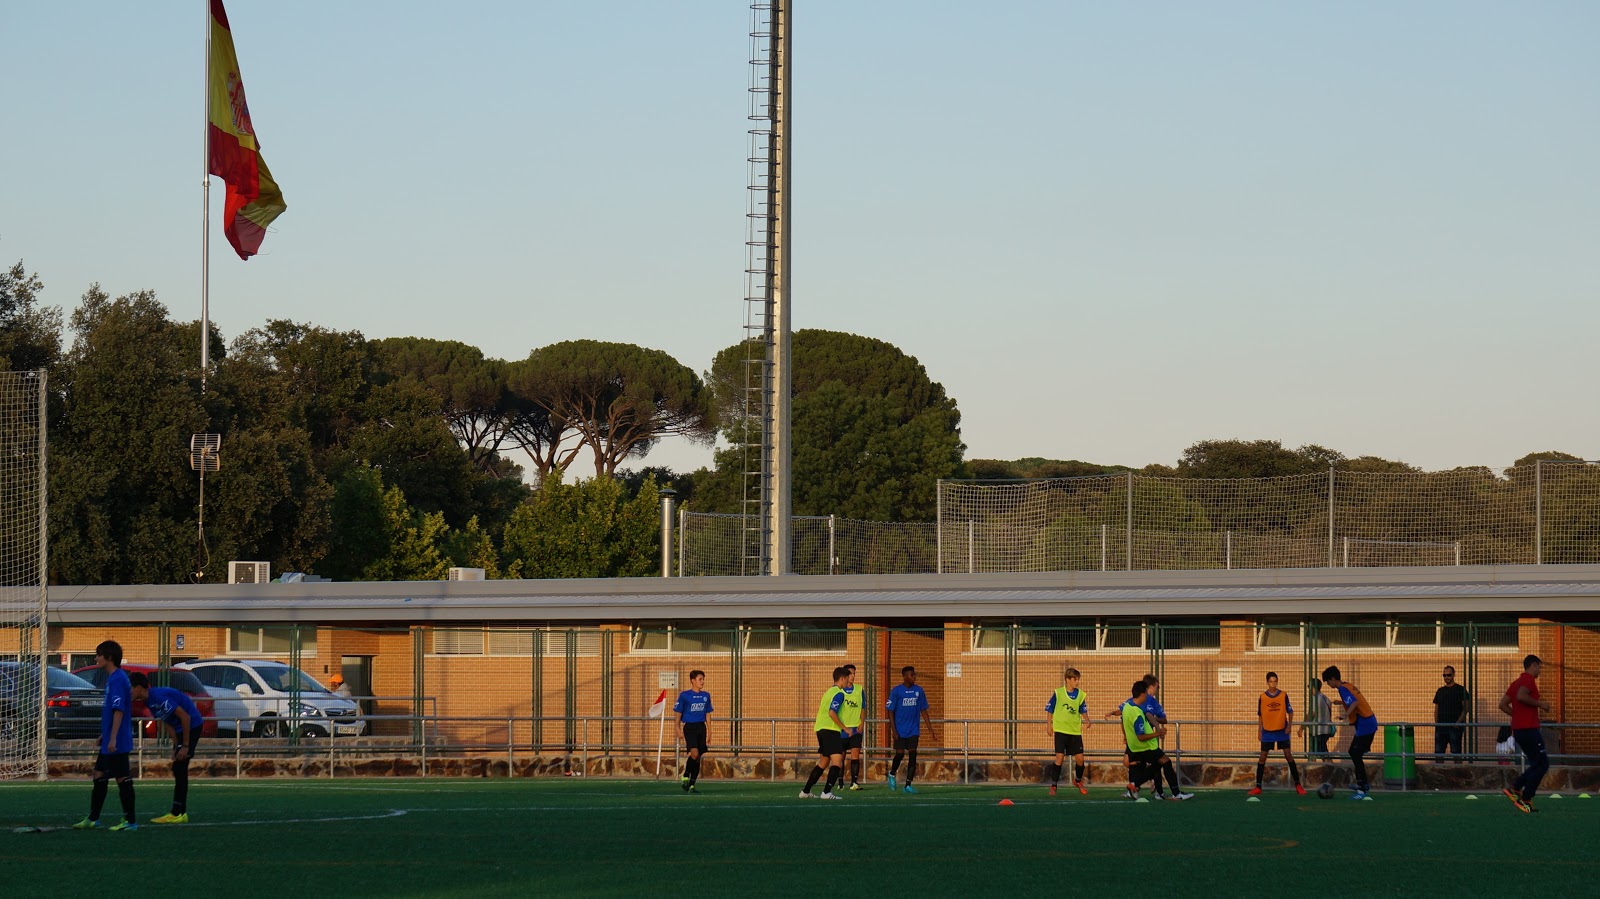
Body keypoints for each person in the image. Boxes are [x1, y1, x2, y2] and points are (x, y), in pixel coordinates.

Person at [74, 640, 137, 831]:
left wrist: (113, 737)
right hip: (110, 738)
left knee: (122, 777)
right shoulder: (113, 678)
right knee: (98, 774)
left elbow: (119, 710)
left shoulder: (118, 679)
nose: (96, 658)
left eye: (99, 655)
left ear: (109, 657)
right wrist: (105, 734)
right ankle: (93, 818)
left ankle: (130, 821)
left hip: (117, 740)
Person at [129, 672, 203, 824]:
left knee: (180, 768)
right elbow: (167, 721)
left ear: (138, 688)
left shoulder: (158, 697)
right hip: (181, 729)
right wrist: (176, 746)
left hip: (191, 725)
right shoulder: (148, 701)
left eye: (129, 688)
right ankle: (179, 811)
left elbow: (186, 717)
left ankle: (178, 813)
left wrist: (185, 746)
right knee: (178, 768)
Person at [1498, 654, 1551, 813]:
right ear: (1533, 665)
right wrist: (1541, 704)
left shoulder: (1515, 683)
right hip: (1529, 729)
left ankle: (1516, 789)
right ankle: (1524, 797)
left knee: (1537, 763)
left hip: (1519, 730)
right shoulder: (1528, 680)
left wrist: (1517, 716)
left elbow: (1503, 704)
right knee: (1542, 764)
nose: (1540, 670)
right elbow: (1521, 696)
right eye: (1539, 667)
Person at [1321, 665, 1376, 799]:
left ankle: (1362, 789)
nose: (1328, 684)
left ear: (1332, 679)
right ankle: (1363, 784)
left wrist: (1345, 714)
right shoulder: (1348, 685)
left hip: (1365, 725)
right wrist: (1341, 703)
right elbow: (1353, 700)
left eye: (1328, 682)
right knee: (1355, 753)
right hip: (1368, 723)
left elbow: (1354, 703)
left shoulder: (1342, 689)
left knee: (1355, 753)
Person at [1249, 672, 1304, 796]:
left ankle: (1298, 785)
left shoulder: (1283, 695)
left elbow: (1290, 711)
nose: (1273, 684)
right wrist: (1259, 730)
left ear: (1277, 682)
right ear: (1267, 682)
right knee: (1262, 757)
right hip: (1267, 731)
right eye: (1271, 681)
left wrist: (1289, 726)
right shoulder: (1262, 697)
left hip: (1281, 730)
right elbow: (1260, 715)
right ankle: (1258, 787)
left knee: (1288, 755)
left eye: (1275, 681)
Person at [800, 667, 849, 800]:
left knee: (823, 762)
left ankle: (805, 791)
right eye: (847, 679)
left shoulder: (828, 692)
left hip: (821, 729)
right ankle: (826, 792)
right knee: (837, 761)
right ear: (842, 679)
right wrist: (845, 728)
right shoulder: (839, 693)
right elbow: (832, 712)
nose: (848, 682)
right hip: (830, 730)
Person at [886, 665, 933, 794]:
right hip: (900, 730)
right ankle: (892, 773)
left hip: (913, 730)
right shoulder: (896, 691)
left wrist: (930, 730)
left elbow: (923, 710)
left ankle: (908, 785)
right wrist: (894, 730)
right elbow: (890, 711)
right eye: (912, 675)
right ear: (905, 676)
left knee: (913, 755)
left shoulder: (919, 691)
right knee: (900, 754)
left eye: (914, 674)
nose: (914, 677)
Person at [1044, 667, 1090, 797]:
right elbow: (1050, 710)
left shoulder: (1080, 694)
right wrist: (1049, 725)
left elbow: (1083, 709)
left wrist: (1087, 720)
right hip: (1061, 730)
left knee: (1080, 759)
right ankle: (1054, 785)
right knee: (1059, 757)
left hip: (1075, 732)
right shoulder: (1058, 693)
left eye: (1078, 679)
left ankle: (1078, 781)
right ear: (1067, 680)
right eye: (1075, 679)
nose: (1077, 682)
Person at [673, 669, 713, 793]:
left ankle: (692, 785)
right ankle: (685, 774)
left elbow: (708, 713)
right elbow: (678, 712)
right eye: (700, 679)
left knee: (698, 757)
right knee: (694, 753)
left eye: (703, 679)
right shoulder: (685, 695)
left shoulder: (706, 696)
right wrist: (677, 727)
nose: (702, 682)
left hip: (701, 727)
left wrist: (710, 730)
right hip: (690, 727)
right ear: (693, 681)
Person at [1432, 666, 1469, 762]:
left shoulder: (1460, 690)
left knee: (1456, 753)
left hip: (1454, 727)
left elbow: (1466, 708)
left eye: (1449, 675)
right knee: (1439, 753)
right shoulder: (1440, 691)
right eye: (1444, 675)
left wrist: (1458, 722)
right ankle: (1438, 770)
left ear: (1453, 675)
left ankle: (1458, 771)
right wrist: (1437, 724)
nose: (1446, 677)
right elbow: (1436, 709)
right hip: (1441, 727)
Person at [839, 663, 866, 790]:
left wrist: (862, 723)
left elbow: (863, 708)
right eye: (850, 673)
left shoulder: (859, 690)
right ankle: (840, 782)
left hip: (855, 729)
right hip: (842, 730)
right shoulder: (838, 691)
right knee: (840, 756)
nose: (853, 676)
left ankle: (854, 782)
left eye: (854, 673)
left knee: (855, 755)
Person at [1298, 680, 1334, 756]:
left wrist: (1301, 728)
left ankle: (1330, 764)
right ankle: (1312, 762)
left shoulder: (1316, 699)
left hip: (1318, 731)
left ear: (1313, 687)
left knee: (1321, 754)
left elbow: (1311, 714)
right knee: (1315, 753)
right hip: (1326, 730)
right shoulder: (1326, 698)